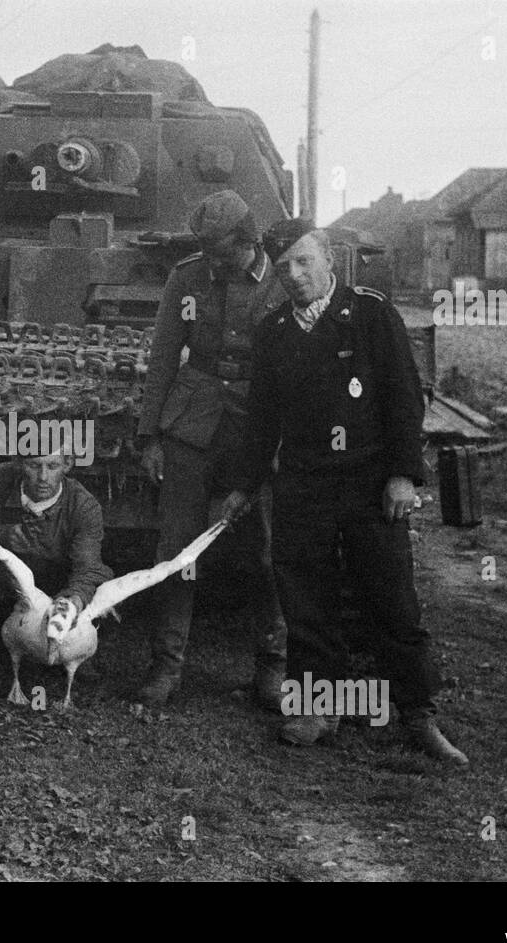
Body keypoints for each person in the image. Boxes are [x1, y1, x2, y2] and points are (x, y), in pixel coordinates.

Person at [219, 218, 468, 765]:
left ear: (330, 260)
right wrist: (245, 485)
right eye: (285, 266)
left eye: (306, 262)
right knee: (307, 605)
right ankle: (317, 709)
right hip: (303, 485)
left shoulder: (372, 315)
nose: (296, 275)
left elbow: (405, 399)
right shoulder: (275, 330)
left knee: (392, 601)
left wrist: (403, 474)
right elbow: (262, 419)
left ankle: (418, 715)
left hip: (368, 482)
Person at [135, 189, 287, 707]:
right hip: (192, 424)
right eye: (210, 254)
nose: (215, 266)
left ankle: (273, 667)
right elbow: (161, 359)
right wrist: (149, 435)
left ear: (249, 242)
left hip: (261, 428)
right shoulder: (188, 277)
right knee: (176, 552)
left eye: (223, 254)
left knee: (269, 554)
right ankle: (166, 667)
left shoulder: (283, 283)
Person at [0, 446, 114, 655]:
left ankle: (74, 650)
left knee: (96, 587)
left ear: (67, 464)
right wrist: (3, 535)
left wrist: (73, 602)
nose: (43, 477)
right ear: (20, 463)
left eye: (52, 466)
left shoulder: (83, 505)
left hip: (58, 578)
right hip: (10, 575)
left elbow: (87, 567)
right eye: (34, 465)